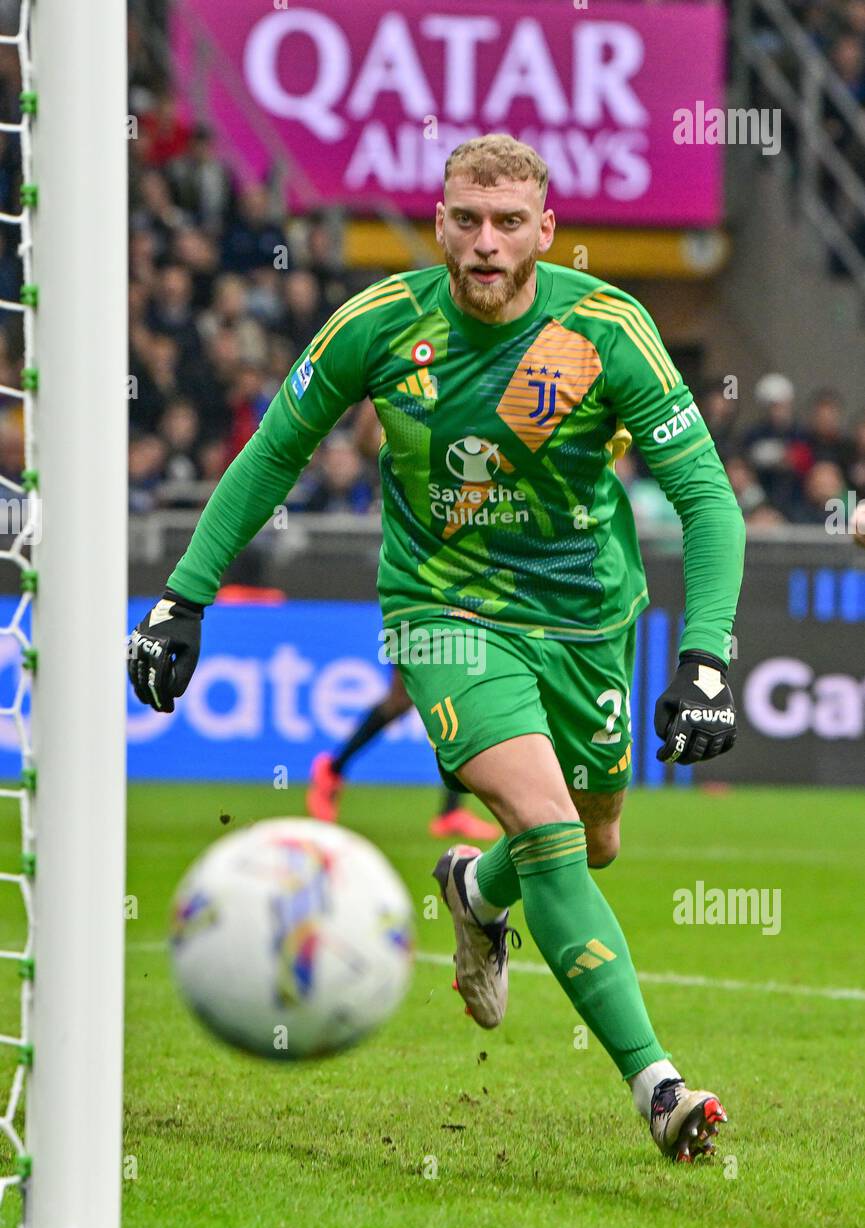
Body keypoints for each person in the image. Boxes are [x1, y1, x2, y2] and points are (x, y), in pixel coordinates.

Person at [129, 134, 745, 1163]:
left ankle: (473, 888)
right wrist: (183, 599)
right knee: (551, 828)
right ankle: (658, 1085)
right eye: (467, 219)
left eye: (509, 223)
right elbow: (273, 452)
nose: (486, 243)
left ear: (546, 231)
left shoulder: (606, 332)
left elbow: (706, 500)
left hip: (590, 621)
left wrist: (707, 656)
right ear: (438, 223)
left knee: (594, 842)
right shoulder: (379, 326)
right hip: (443, 612)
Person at [306, 668, 497, 841]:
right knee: (401, 701)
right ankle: (332, 769)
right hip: (418, 631)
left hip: (450, 631)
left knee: (453, 701)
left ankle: (451, 811)